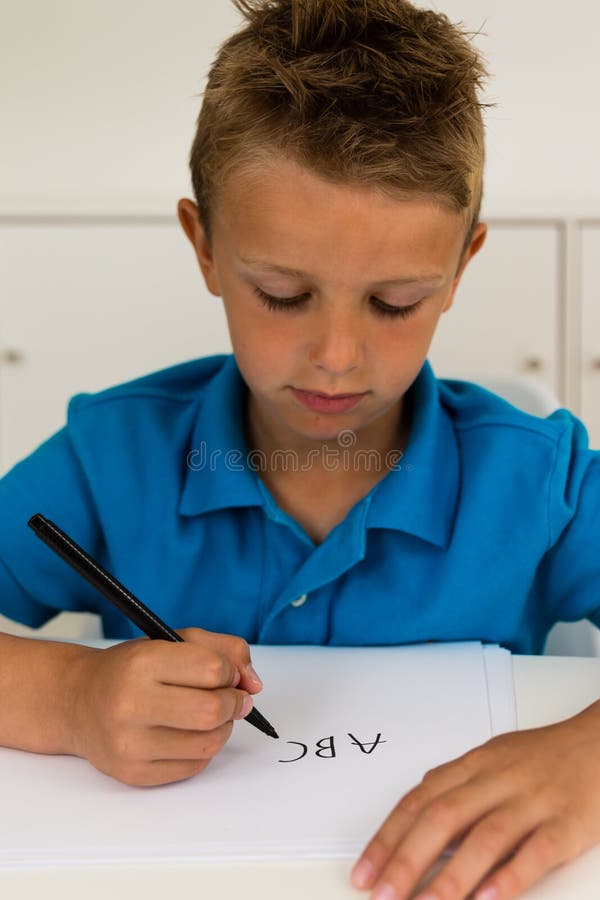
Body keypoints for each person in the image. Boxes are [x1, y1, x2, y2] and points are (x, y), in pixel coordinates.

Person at [1, 1, 599, 898]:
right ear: (205, 246)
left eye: (395, 303)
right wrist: (70, 700)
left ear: (462, 267)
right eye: (283, 293)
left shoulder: (539, 479)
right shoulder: (108, 456)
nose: (336, 356)